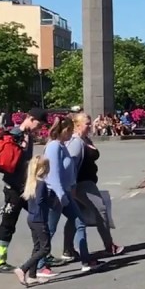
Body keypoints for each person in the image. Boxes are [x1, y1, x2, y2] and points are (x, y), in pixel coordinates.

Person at [0, 108, 47, 273]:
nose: (40, 127)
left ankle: (42, 253)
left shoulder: (25, 135)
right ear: (30, 118)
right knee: (9, 223)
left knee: (39, 217)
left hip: (24, 186)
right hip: (14, 188)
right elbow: (13, 162)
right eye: (39, 124)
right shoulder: (16, 134)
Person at [46, 116, 98, 272]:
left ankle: (86, 260)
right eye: (69, 131)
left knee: (80, 222)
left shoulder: (61, 146)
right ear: (64, 131)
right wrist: (62, 196)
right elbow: (53, 174)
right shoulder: (53, 147)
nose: (71, 134)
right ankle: (40, 264)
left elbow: (68, 170)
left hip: (65, 192)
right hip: (55, 195)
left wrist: (71, 187)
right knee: (49, 229)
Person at [71, 114, 123, 258]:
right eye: (87, 124)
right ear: (77, 125)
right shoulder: (76, 142)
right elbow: (71, 165)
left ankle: (68, 249)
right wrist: (72, 186)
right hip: (81, 183)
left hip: (88, 182)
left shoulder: (85, 138)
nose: (90, 126)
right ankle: (109, 245)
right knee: (101, 210)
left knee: (75, 216)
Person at [15, 156, 56, 287]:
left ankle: (32, 275)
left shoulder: (31, 182)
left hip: (32, 218)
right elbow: (41, 202)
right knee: (45, 248)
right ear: (43, 169)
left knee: (37, 246)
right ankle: (23, 268)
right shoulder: (42, 184)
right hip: (39, 219)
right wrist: (51, 199)